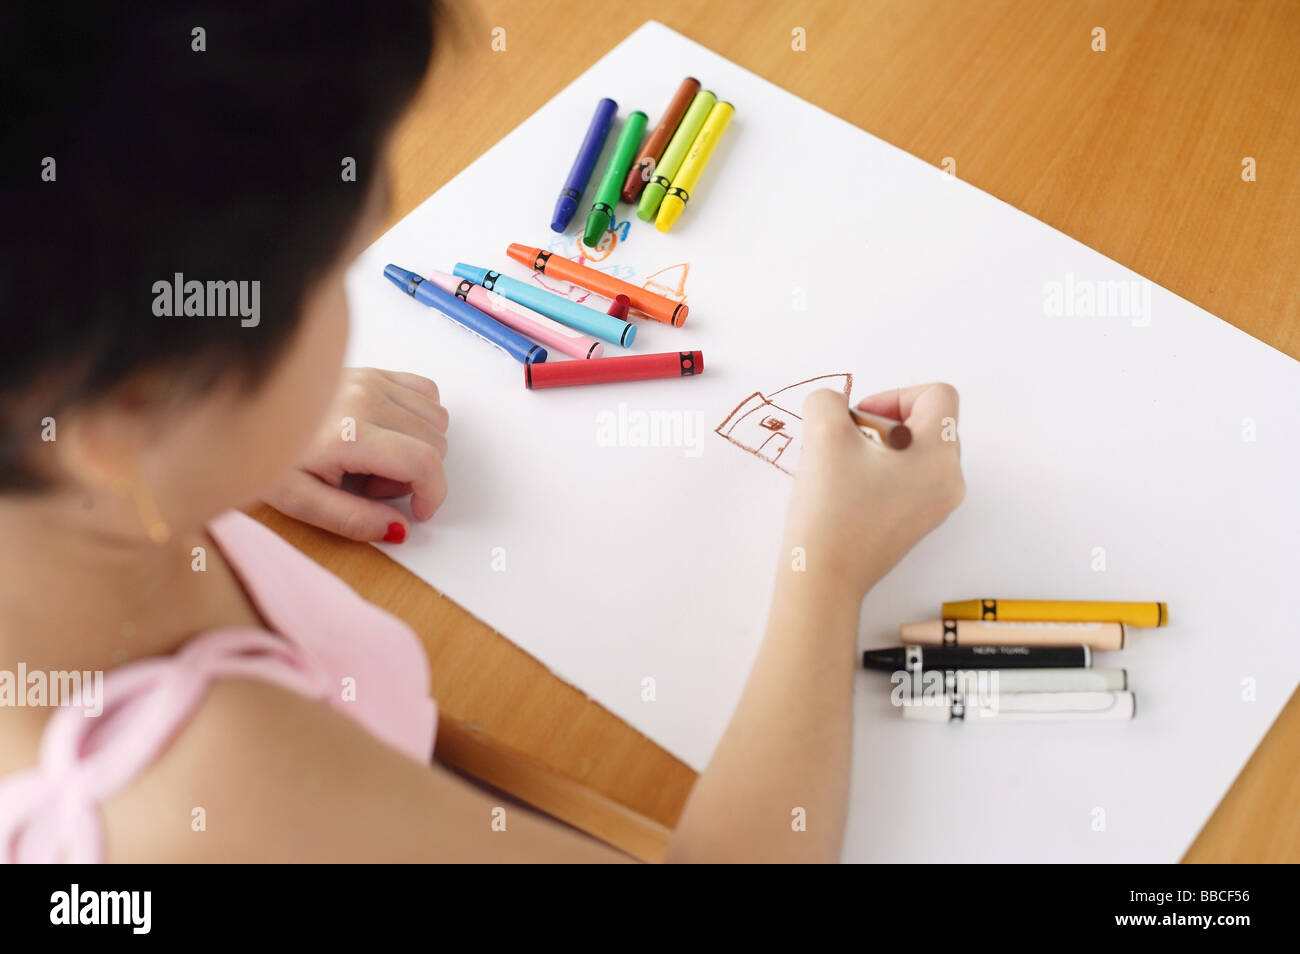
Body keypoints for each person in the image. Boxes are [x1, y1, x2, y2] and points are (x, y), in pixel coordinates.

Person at [0, 2, 963, 862]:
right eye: (329, 276)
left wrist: (217, 447)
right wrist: (828, 571)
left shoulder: (63, 455)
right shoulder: (211, 789)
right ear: (136, 402)